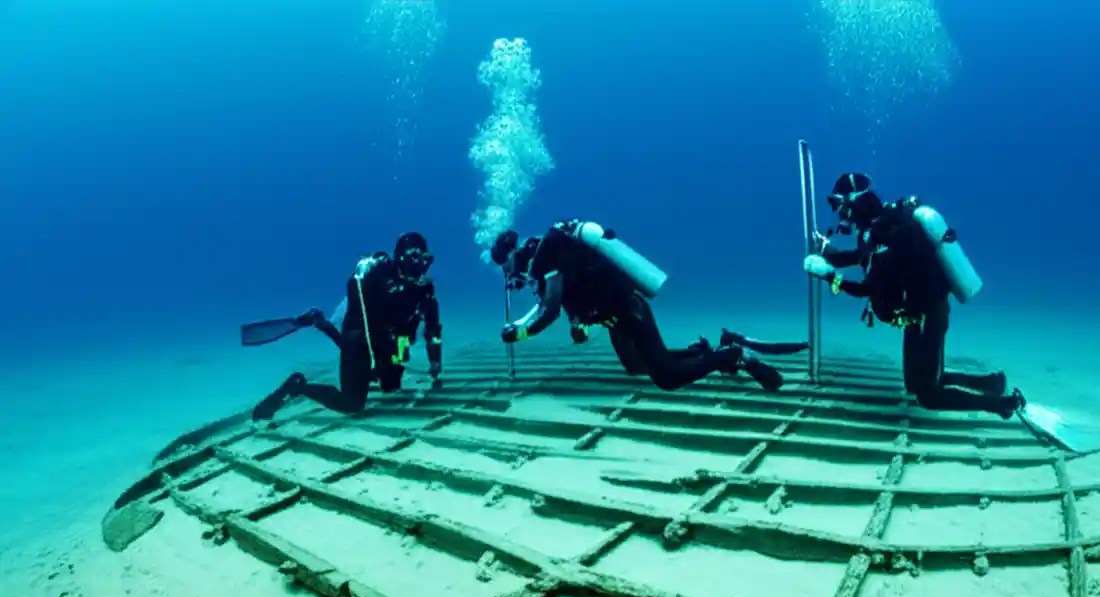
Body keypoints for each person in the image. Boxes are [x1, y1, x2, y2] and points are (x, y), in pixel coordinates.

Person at [803, 172, 1026, 419]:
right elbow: (860, 257)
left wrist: (830, 276)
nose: (839, 213)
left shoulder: (885, 230)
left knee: (928, 396)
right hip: (914, 316)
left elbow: (871, 287)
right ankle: (991, 383)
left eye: (839, 204)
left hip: (927, 315)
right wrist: (827, 252)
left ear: (853, 200)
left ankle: (1004, 404)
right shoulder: (877, 229)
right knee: (916, 383)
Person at [491, 221, 803, 392]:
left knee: (666, 378)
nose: (511, 278)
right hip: (613, 316)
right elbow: (570, 302)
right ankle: (702, 351)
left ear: (511, 256)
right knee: (637, 365)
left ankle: (735, 356)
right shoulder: (549, 262)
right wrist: (580, 325)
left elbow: (549, 312)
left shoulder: (546, 256)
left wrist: (519, 334)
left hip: (627, 309)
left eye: (506, 269)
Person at [251, 231, 443, 422]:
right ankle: (297, 385)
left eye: (424, 258)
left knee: (391, 385)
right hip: (360, 338)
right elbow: (356, 303)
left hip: (392, 342)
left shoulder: (425, 291)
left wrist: (435, 361)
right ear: (401, 257)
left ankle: (335, 334)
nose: (420, 264)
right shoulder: (380, 274)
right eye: (414, 257)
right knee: (351, 404)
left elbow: (433, 329)